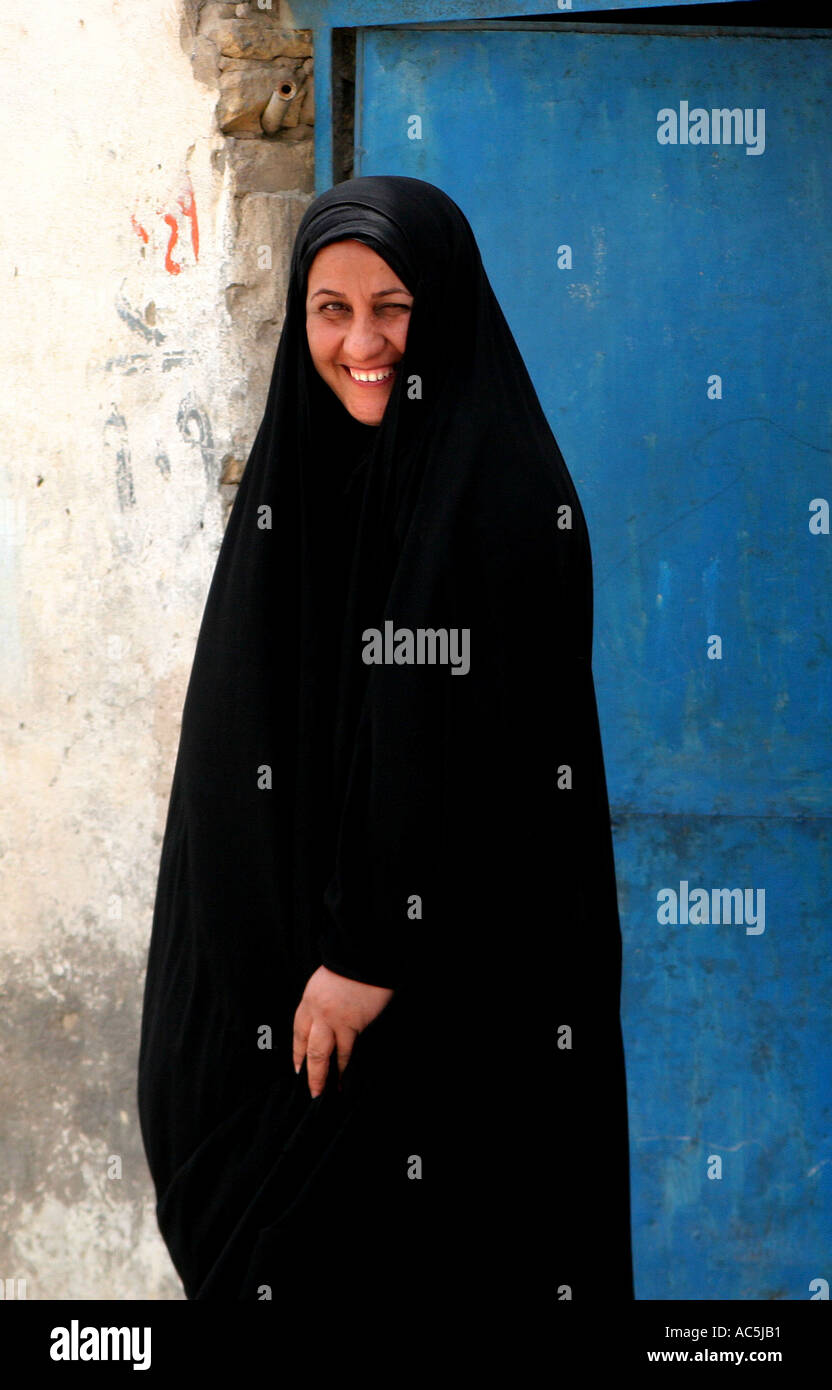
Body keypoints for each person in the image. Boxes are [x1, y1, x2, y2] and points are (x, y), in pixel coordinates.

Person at [137, 174, 634, 1308]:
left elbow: (469, 755)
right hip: (293, 1006)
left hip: (443, 1007)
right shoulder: (302, 483)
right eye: (331, 309)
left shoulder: (501, 496)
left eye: (392, 307)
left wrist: (364, 956)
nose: (362, 342)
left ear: (443, 309)